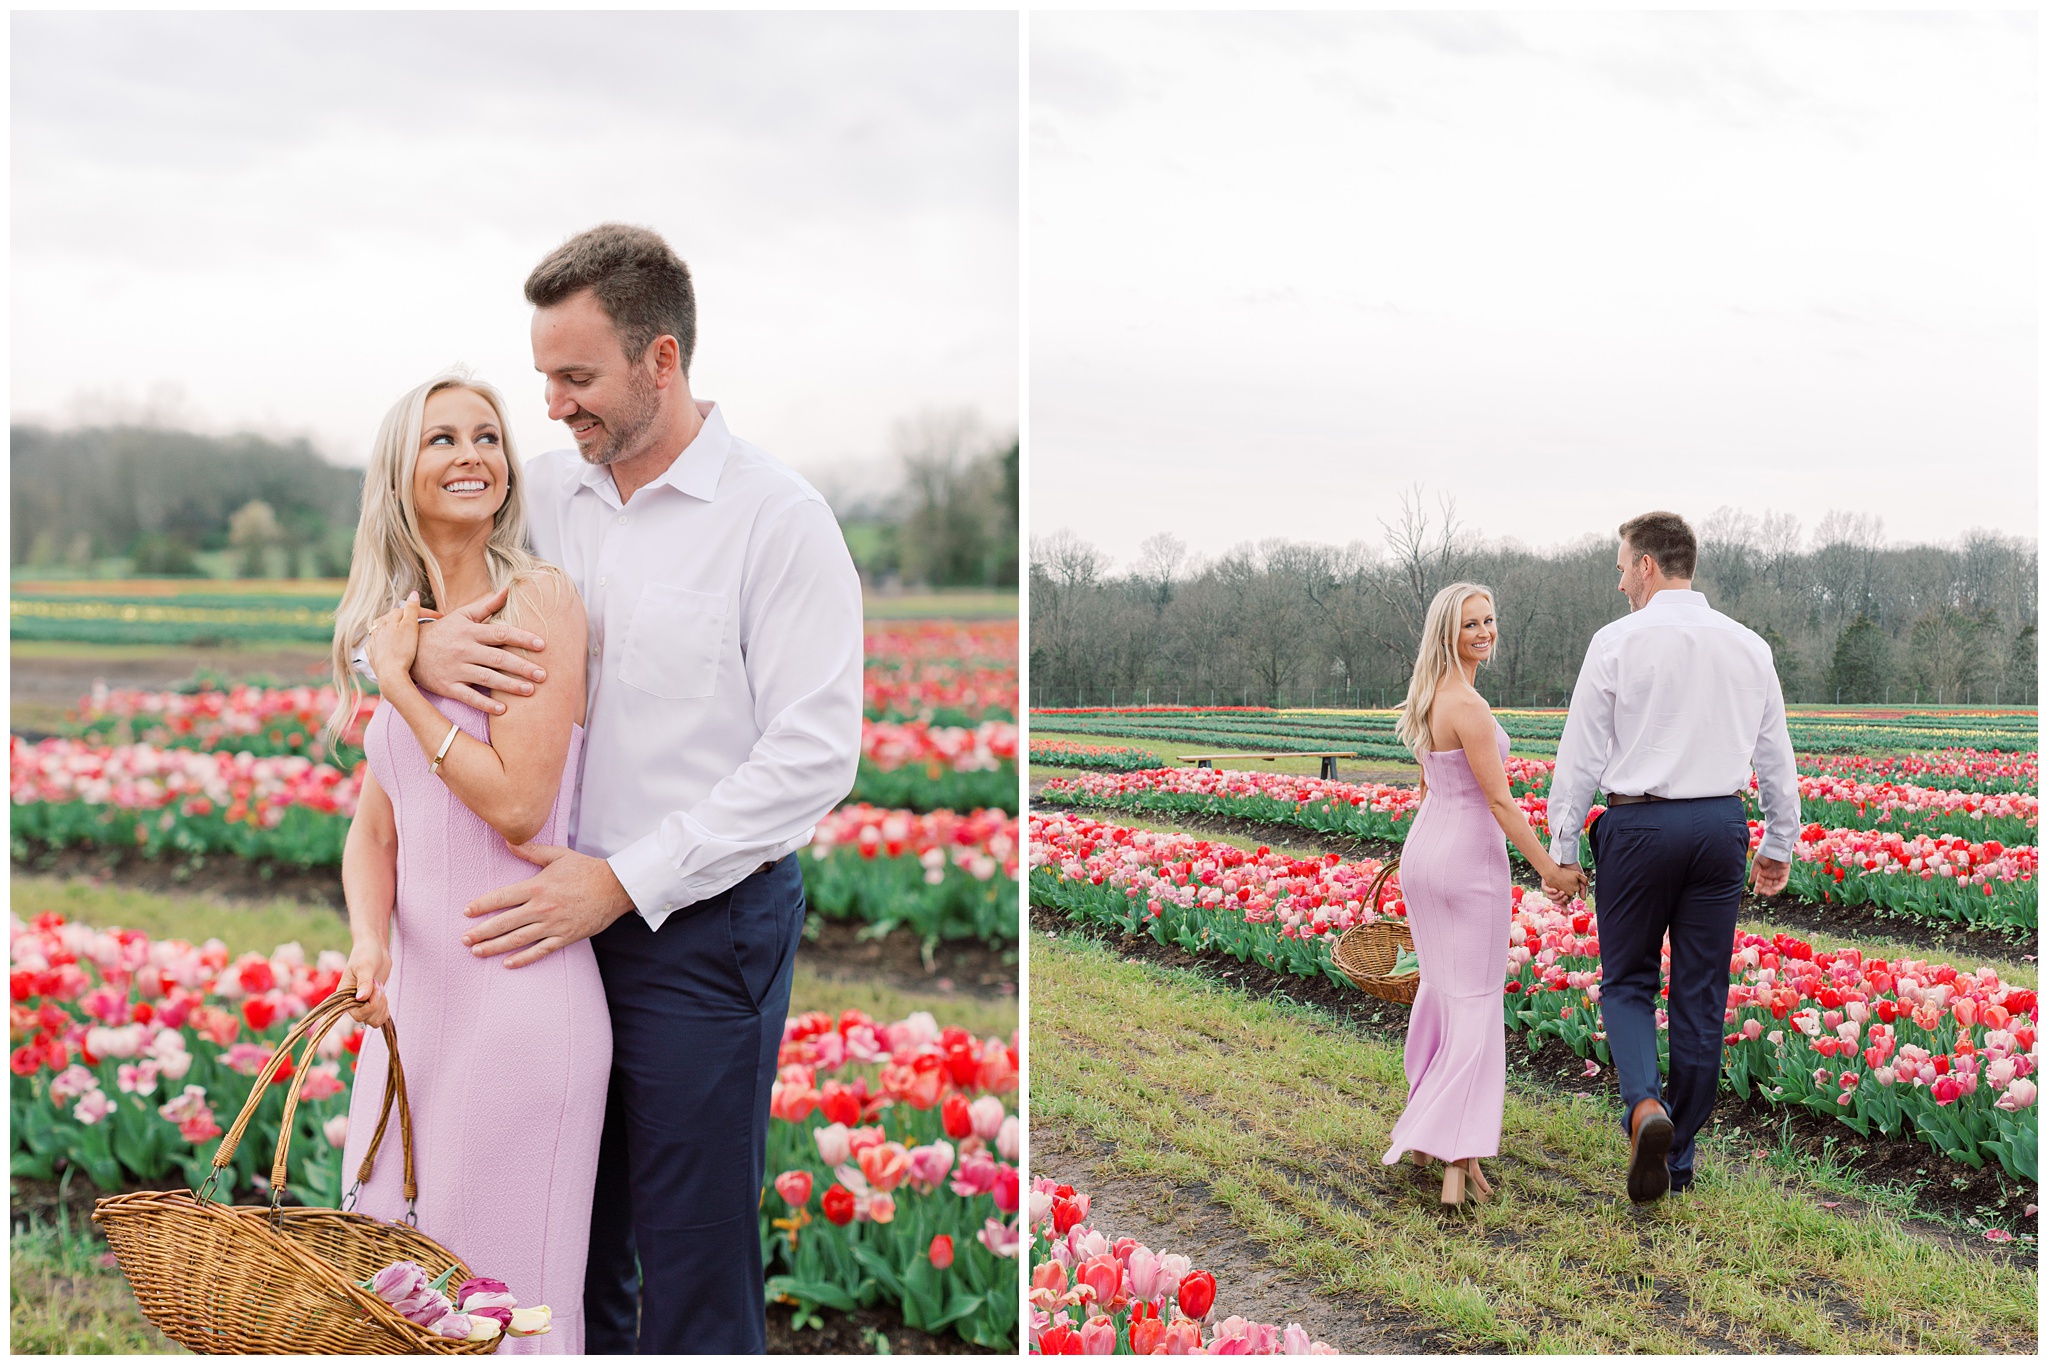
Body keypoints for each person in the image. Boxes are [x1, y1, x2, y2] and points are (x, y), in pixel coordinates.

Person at [384, 224, 865, 1353]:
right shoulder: (540, 497)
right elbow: (403, 577)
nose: (549, 403)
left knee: (692, 1263)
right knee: (556, 1244)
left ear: (661, 361)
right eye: (542, 374)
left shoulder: (776, 522)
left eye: (576, 376)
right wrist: (414, 650)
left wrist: (624, 880)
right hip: (537, 931)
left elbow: (811, 755)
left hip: (698, 929)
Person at [330, 373, 608, 1354]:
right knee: (394, 1298)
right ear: (400, 472)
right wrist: (369, 945)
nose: (471, 454)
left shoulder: (535, 598)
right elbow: (375, 829)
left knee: (503, 1307)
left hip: (518, 997)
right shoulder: (404, 622)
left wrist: (401, 685)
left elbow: (521, 804)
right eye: (442, 438)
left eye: (487, 436)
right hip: (411, 1016)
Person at [1545, 511, 1797, 1204]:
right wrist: (1779, 840)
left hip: (1639, 825)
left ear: (1649, 565)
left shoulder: (1617, 642)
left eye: (1624, 564)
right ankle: (1677, 1155)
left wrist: (1562, 846)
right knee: (1700, 993)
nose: (1620, 578)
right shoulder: (1748, 646)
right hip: (1720, 825)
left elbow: (1582, 752)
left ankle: (1643, 1107)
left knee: (1627, 981)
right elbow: (1775, 751)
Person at [1381, 582, 1585, 1208]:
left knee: (1443, 995)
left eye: (1490, 620)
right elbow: (1498, 802)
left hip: (1426, 856)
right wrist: (1551, 869)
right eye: (1471, 623)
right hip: (1469, 864)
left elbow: (1427, 790)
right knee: (1473, 1003)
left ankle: (1427, 1140)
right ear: (1448, 631)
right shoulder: (1467, 705)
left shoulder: (1429, 698)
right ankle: (1454, 1165)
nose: (1484, 632)